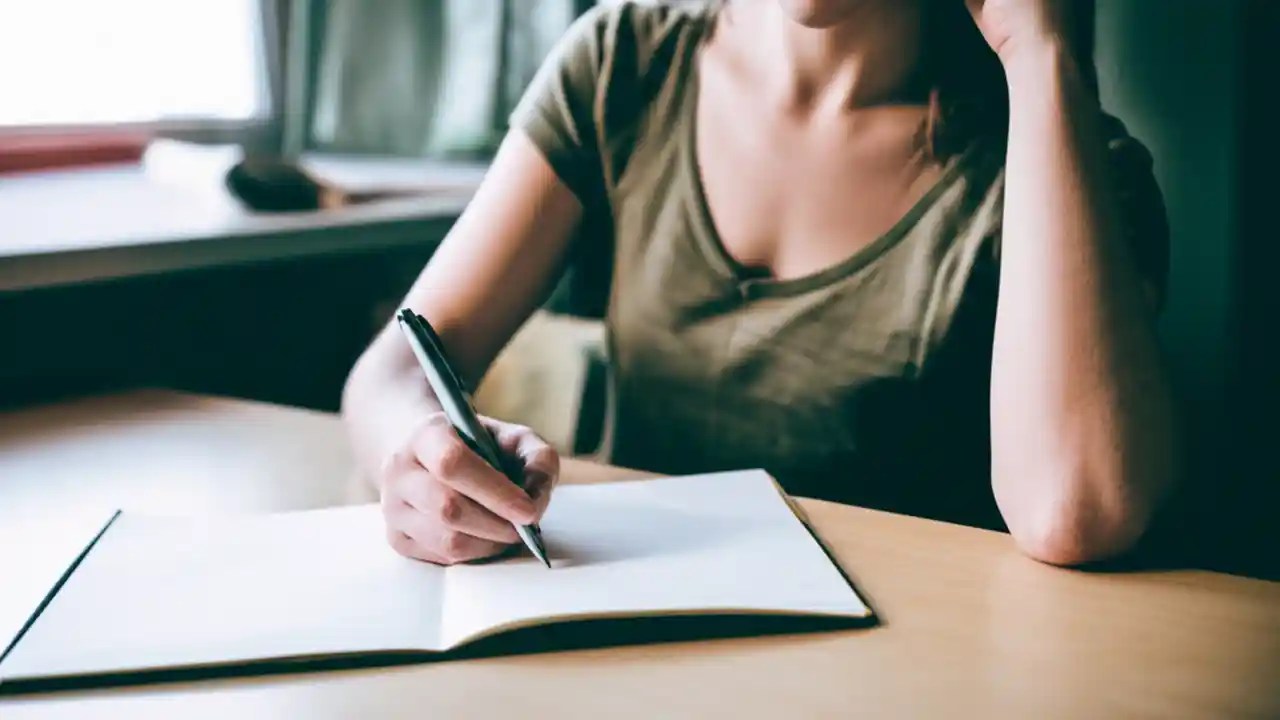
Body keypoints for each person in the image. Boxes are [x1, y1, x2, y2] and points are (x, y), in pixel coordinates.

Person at [341, 0, 1177, 568]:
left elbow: (1079, 512)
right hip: (637, 651)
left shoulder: (1072, 169)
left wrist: (1044, 55)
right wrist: (421, 454)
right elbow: (396, 367)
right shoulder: (627, 61)